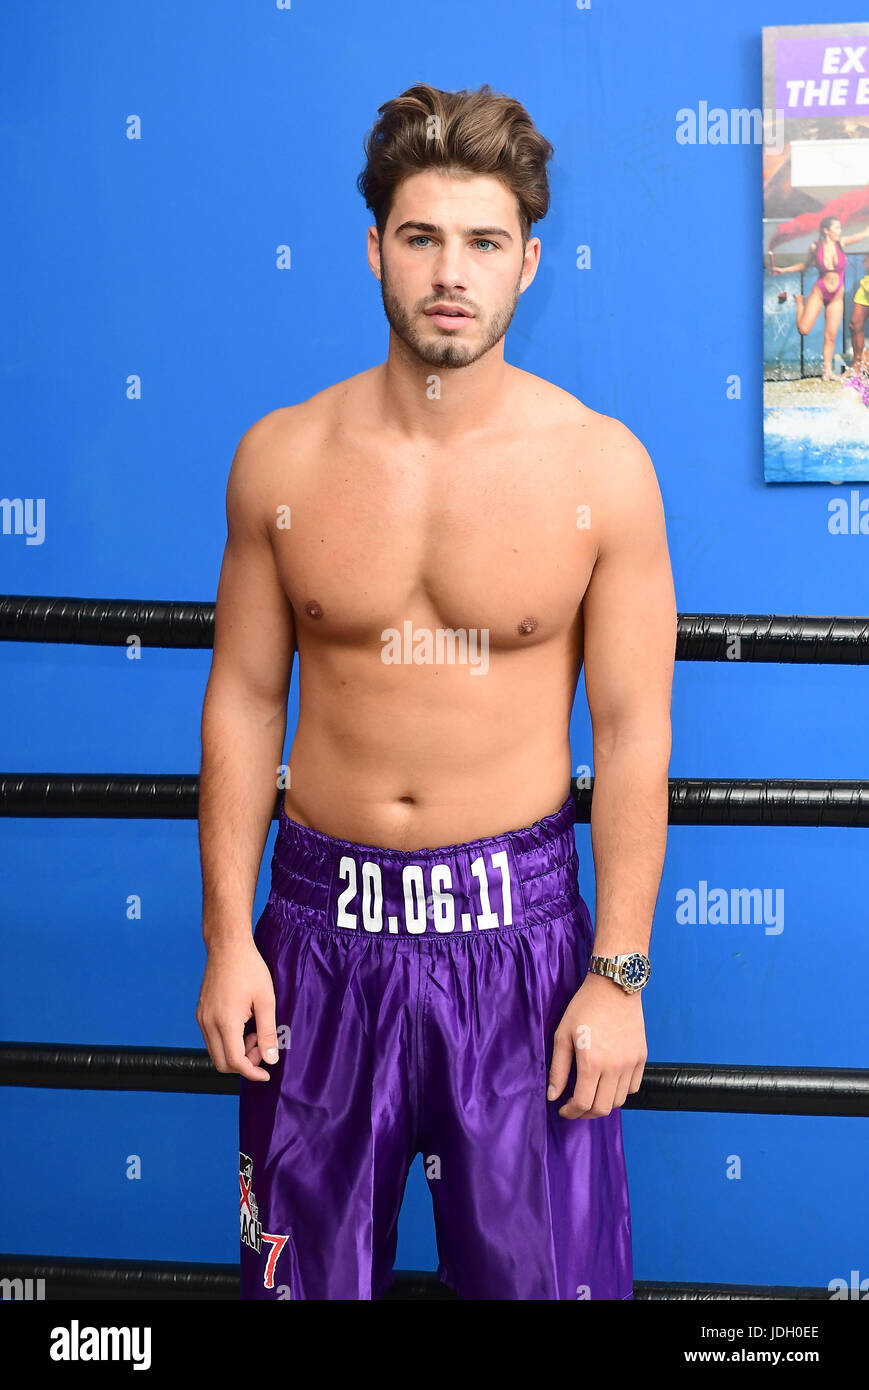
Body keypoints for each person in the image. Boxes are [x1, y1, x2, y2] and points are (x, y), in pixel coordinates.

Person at [196, 82, 676, 1301]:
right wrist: (225, 938)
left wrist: (616, 973)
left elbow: (628, 734)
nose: (448, 272)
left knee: (539, 1289)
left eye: (481, 242)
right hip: (316, 935)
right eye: (420, 238)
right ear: (373, 252)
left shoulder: (600, 470)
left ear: (527, 263)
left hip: (515, 943)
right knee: (297, 1293)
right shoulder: (281, 459)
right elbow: (247, 701)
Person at [771, 216, 869, 382]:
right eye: (836, 228)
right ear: (826, 230)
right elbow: (805, 265)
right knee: (804, 330)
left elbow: (864, 234)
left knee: (830, 336)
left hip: (837, 295)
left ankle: (827, 372)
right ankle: (799, 302)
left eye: (840, 228)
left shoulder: (842, 243)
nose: (839, 231)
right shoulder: (815, 247)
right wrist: (783, 270)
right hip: (820, 291)